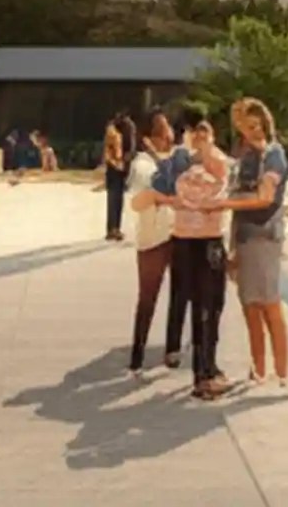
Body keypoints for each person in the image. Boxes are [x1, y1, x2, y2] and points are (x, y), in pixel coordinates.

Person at [216, 98, 288, 386]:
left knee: (269, 301)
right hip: (244, 233)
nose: (249, 132)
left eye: (253, 125)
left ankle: (281, 370)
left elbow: (266, 197)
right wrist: (232, 244)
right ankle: (258, 367)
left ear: (264, 124)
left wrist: (221, 204)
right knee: (249, 304)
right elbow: (236, 199)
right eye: (243, 126)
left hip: (265, 233)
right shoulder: (244, 157)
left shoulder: (274, 155)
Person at [167, 111, 232, 400]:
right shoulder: (187, 162)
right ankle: (203, 375)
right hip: (199, 242)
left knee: (209, 307)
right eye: (198, 135)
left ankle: (208, 366)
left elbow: (211, 197)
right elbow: (210, 198)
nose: (201, 140)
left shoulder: (207, 161)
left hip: (196, 240)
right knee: (205, 307)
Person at [126, 108, 187, 373]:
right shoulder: (142, 165)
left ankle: (172, 349)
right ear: (150, 137)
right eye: (163, 131)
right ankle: (137, 354)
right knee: (148, 297)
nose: (169, 136)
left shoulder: (173, 159)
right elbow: (142, 199)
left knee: (179, 293)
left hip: (177, 233)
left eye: (169, 129)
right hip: (153, 239)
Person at [103, 115, 128, 240]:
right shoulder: (113, 137)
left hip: (117, 168)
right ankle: (113, 229)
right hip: (114, 170)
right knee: (114, 200)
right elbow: (108, 156)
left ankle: (114, 228)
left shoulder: (115, 136)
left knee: (116, 200)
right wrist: (117, 165)